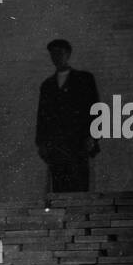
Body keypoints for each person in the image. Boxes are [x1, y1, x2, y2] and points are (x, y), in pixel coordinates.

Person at [35, 38, 100, 193]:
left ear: (68, 54)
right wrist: (42, 143)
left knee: (80, 185)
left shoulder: (84, 79)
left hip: (79, 142)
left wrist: (93, 136)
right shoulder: (47, 85)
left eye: (60, 53)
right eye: (53, 54)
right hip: (57, 145)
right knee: (59, 187)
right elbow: (42, 116)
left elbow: (96, 109)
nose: (56, 57)